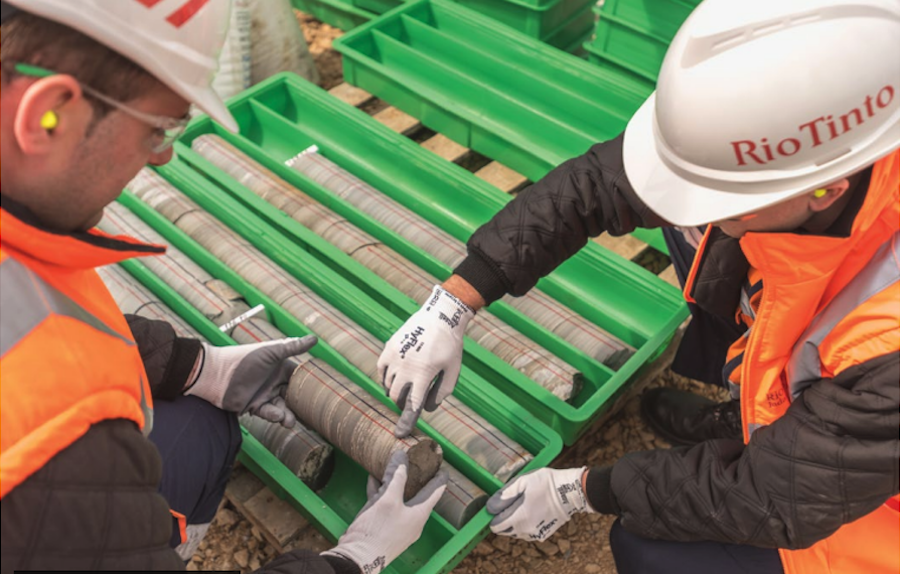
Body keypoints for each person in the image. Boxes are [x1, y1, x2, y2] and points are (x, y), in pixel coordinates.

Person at [376, 0, 899, 573]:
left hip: (876, 515)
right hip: (842, 406)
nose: (710, 214)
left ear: (827, 189)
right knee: (700, 239)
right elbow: (601, 184)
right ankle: (752, 419)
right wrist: (455, 301)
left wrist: (586, 489)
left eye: (731, 203)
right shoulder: (829, 139)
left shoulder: (886, 346)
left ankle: (781, 430)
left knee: (646, 547)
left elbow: (772, 499)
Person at [0, 2, 445, 573]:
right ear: (48, 116)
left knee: (201, 420)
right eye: (157, 128)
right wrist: (352, 561)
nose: (162, 154)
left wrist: (196, 366)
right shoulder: (62, 447)